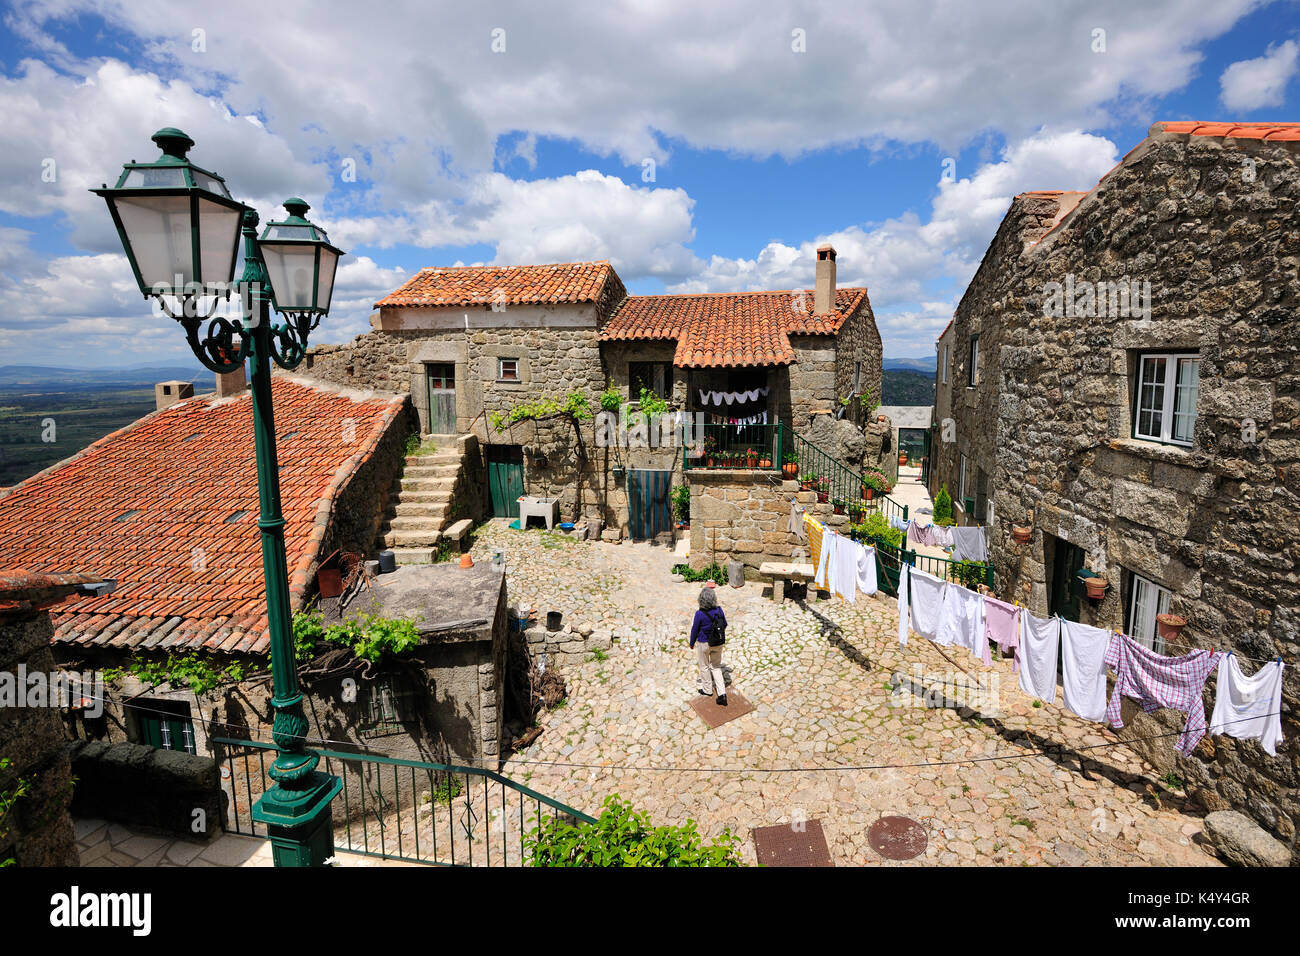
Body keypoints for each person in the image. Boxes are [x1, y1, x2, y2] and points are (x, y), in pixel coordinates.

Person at [689, 584, 728, 705]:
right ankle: (722, 694)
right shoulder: (719, 610)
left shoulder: (699, 614)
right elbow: (725, 624)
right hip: (718, 642)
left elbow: (694, 630)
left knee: (704, 666)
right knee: (716, 667)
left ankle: (707, 690)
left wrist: (691, 643)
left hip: (704, 643)